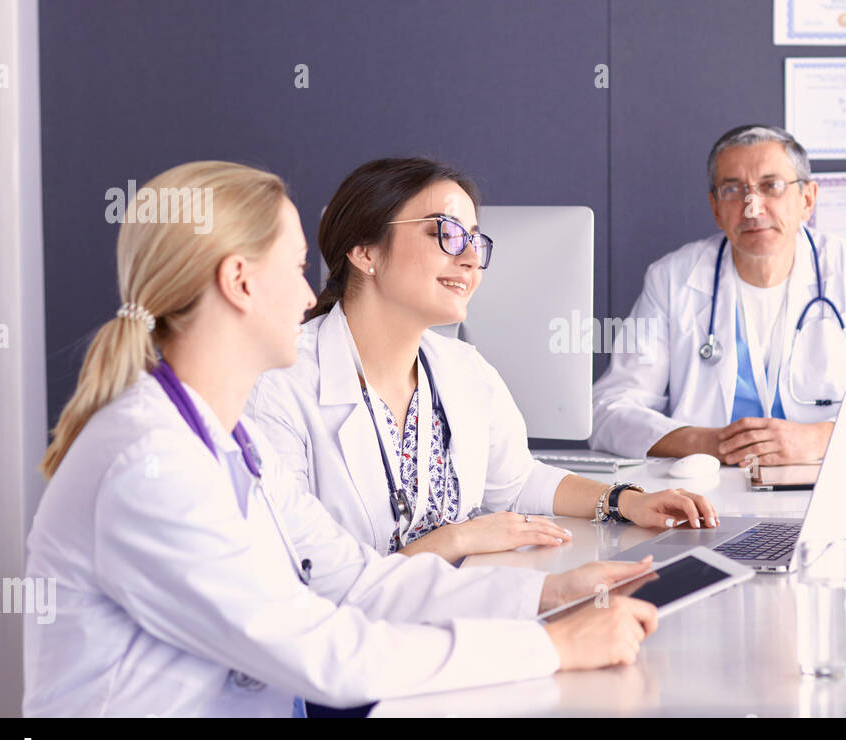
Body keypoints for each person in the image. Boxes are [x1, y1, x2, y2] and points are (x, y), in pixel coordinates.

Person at [25, 160, 659, 717]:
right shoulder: (152, 465)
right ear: (240, 281)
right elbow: (324, 652)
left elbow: (358, 582)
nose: (309, 293)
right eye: (297, 267)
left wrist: (552, 592)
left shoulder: (228, 441)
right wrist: (549, 647)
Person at [247, 157, 721, 568]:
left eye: (475, 239)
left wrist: (624, 501)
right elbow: (298, 574)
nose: (472, 257)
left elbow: (516, 481)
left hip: (457, 610)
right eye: (447, 234)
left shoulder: (462, 369)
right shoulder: (277, 382)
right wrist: (457, 539)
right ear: (365, 251)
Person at [589, 124, 846, 464]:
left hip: (824, 484)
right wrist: (705, 442)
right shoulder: (672, 278)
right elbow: (608, 411)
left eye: (772, 186)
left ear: (807, 199)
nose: (752, 207)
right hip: (704, 494)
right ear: (715, 207)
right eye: (733, 190)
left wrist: (817, 439)